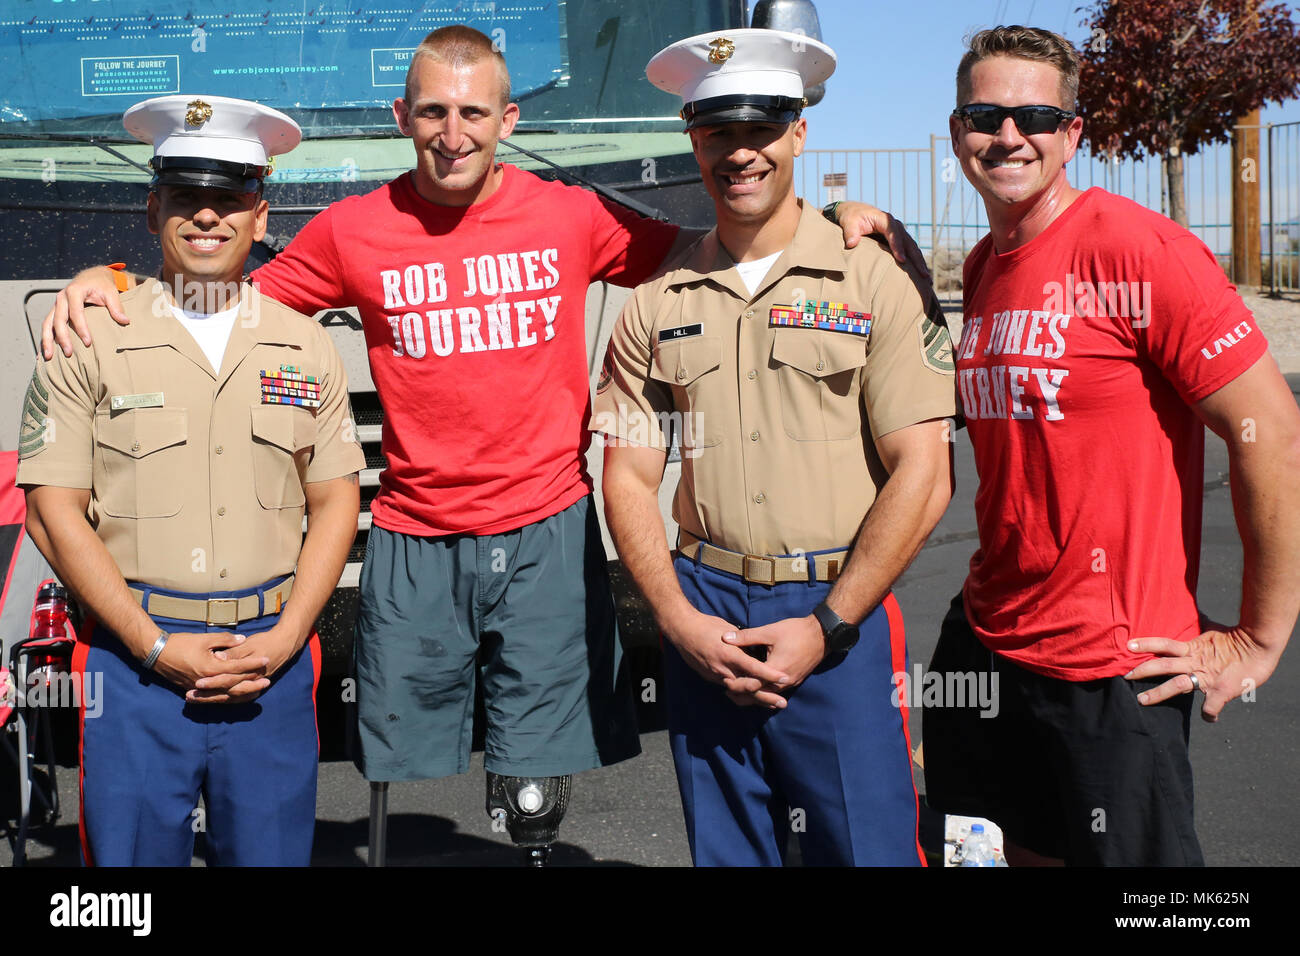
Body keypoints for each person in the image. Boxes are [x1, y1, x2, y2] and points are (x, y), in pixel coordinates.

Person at [39, 26, 908, 859]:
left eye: (473, 114)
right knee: (391, 767)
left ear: (509, 121)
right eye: (432, 113)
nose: (453, 135)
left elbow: (709, 247)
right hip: (417, 536)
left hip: (547, 527)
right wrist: (108, 275)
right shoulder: (350, 229)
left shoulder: (571, 216)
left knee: (539, 781)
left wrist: (830, 214)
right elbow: (220, 281)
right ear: (401, 117)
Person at [924, 25, 1300, 866]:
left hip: (1112, 668)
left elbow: (1271, 431)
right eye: (985, 114)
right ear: (956, 132)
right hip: (988, 640)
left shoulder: (1136, 247)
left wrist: (1259, 637)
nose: (1009, 134)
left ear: (1073, 134)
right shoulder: (986, 262)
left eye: (1036, 116)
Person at [593, 28, 958, 866]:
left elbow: (925, 474)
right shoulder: (656, 301)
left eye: (761, 128)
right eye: (719, 130)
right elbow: (627, 476)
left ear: (799, 132)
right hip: (706, 620)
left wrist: (827, 625)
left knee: (867, 850)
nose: (740, 153)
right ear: (693, 136)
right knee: (729, 852)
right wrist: (678, 624)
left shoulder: (872, 277)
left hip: (841, 618)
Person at [17, 94, 364, 866]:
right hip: (131, 669)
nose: (207, 217)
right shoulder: (86, 340)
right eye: (186, 197)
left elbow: (337, 496)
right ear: (152, 210)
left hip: (268, 663)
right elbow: (51, 512)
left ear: (260, 215)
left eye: (228, 198)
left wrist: (281, 641)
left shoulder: (305, 347)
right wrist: (153, 645)